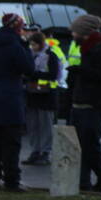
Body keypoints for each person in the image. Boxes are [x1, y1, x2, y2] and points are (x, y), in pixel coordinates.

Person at [0, 13, 38, 191]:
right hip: (11, 97)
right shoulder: (17, 46)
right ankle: (11, 181)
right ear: (16, 27)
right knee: (11, 143)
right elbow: (29, 68)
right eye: (22, 27)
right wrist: (25, 46)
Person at [67, 14, 101, 193]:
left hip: (92, 105)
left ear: (84, 32)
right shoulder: (88, 48)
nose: (73, 35)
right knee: (81, 146)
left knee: (90, 146)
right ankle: (83, 182)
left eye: (75, 32)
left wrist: (80, 71)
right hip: (82, 103)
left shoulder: (100, 48)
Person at [22, 31, 60, 166]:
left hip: (46, 95)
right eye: (31, 44)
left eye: (34, 44)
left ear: (40, 44)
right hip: (32, 94)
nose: (32, 47)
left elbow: (53, 75)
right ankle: (35, 151)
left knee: (45, 126)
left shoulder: (50, 56)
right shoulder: (30, 56)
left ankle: (45, 152)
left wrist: (35, 75)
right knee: (33, 125)